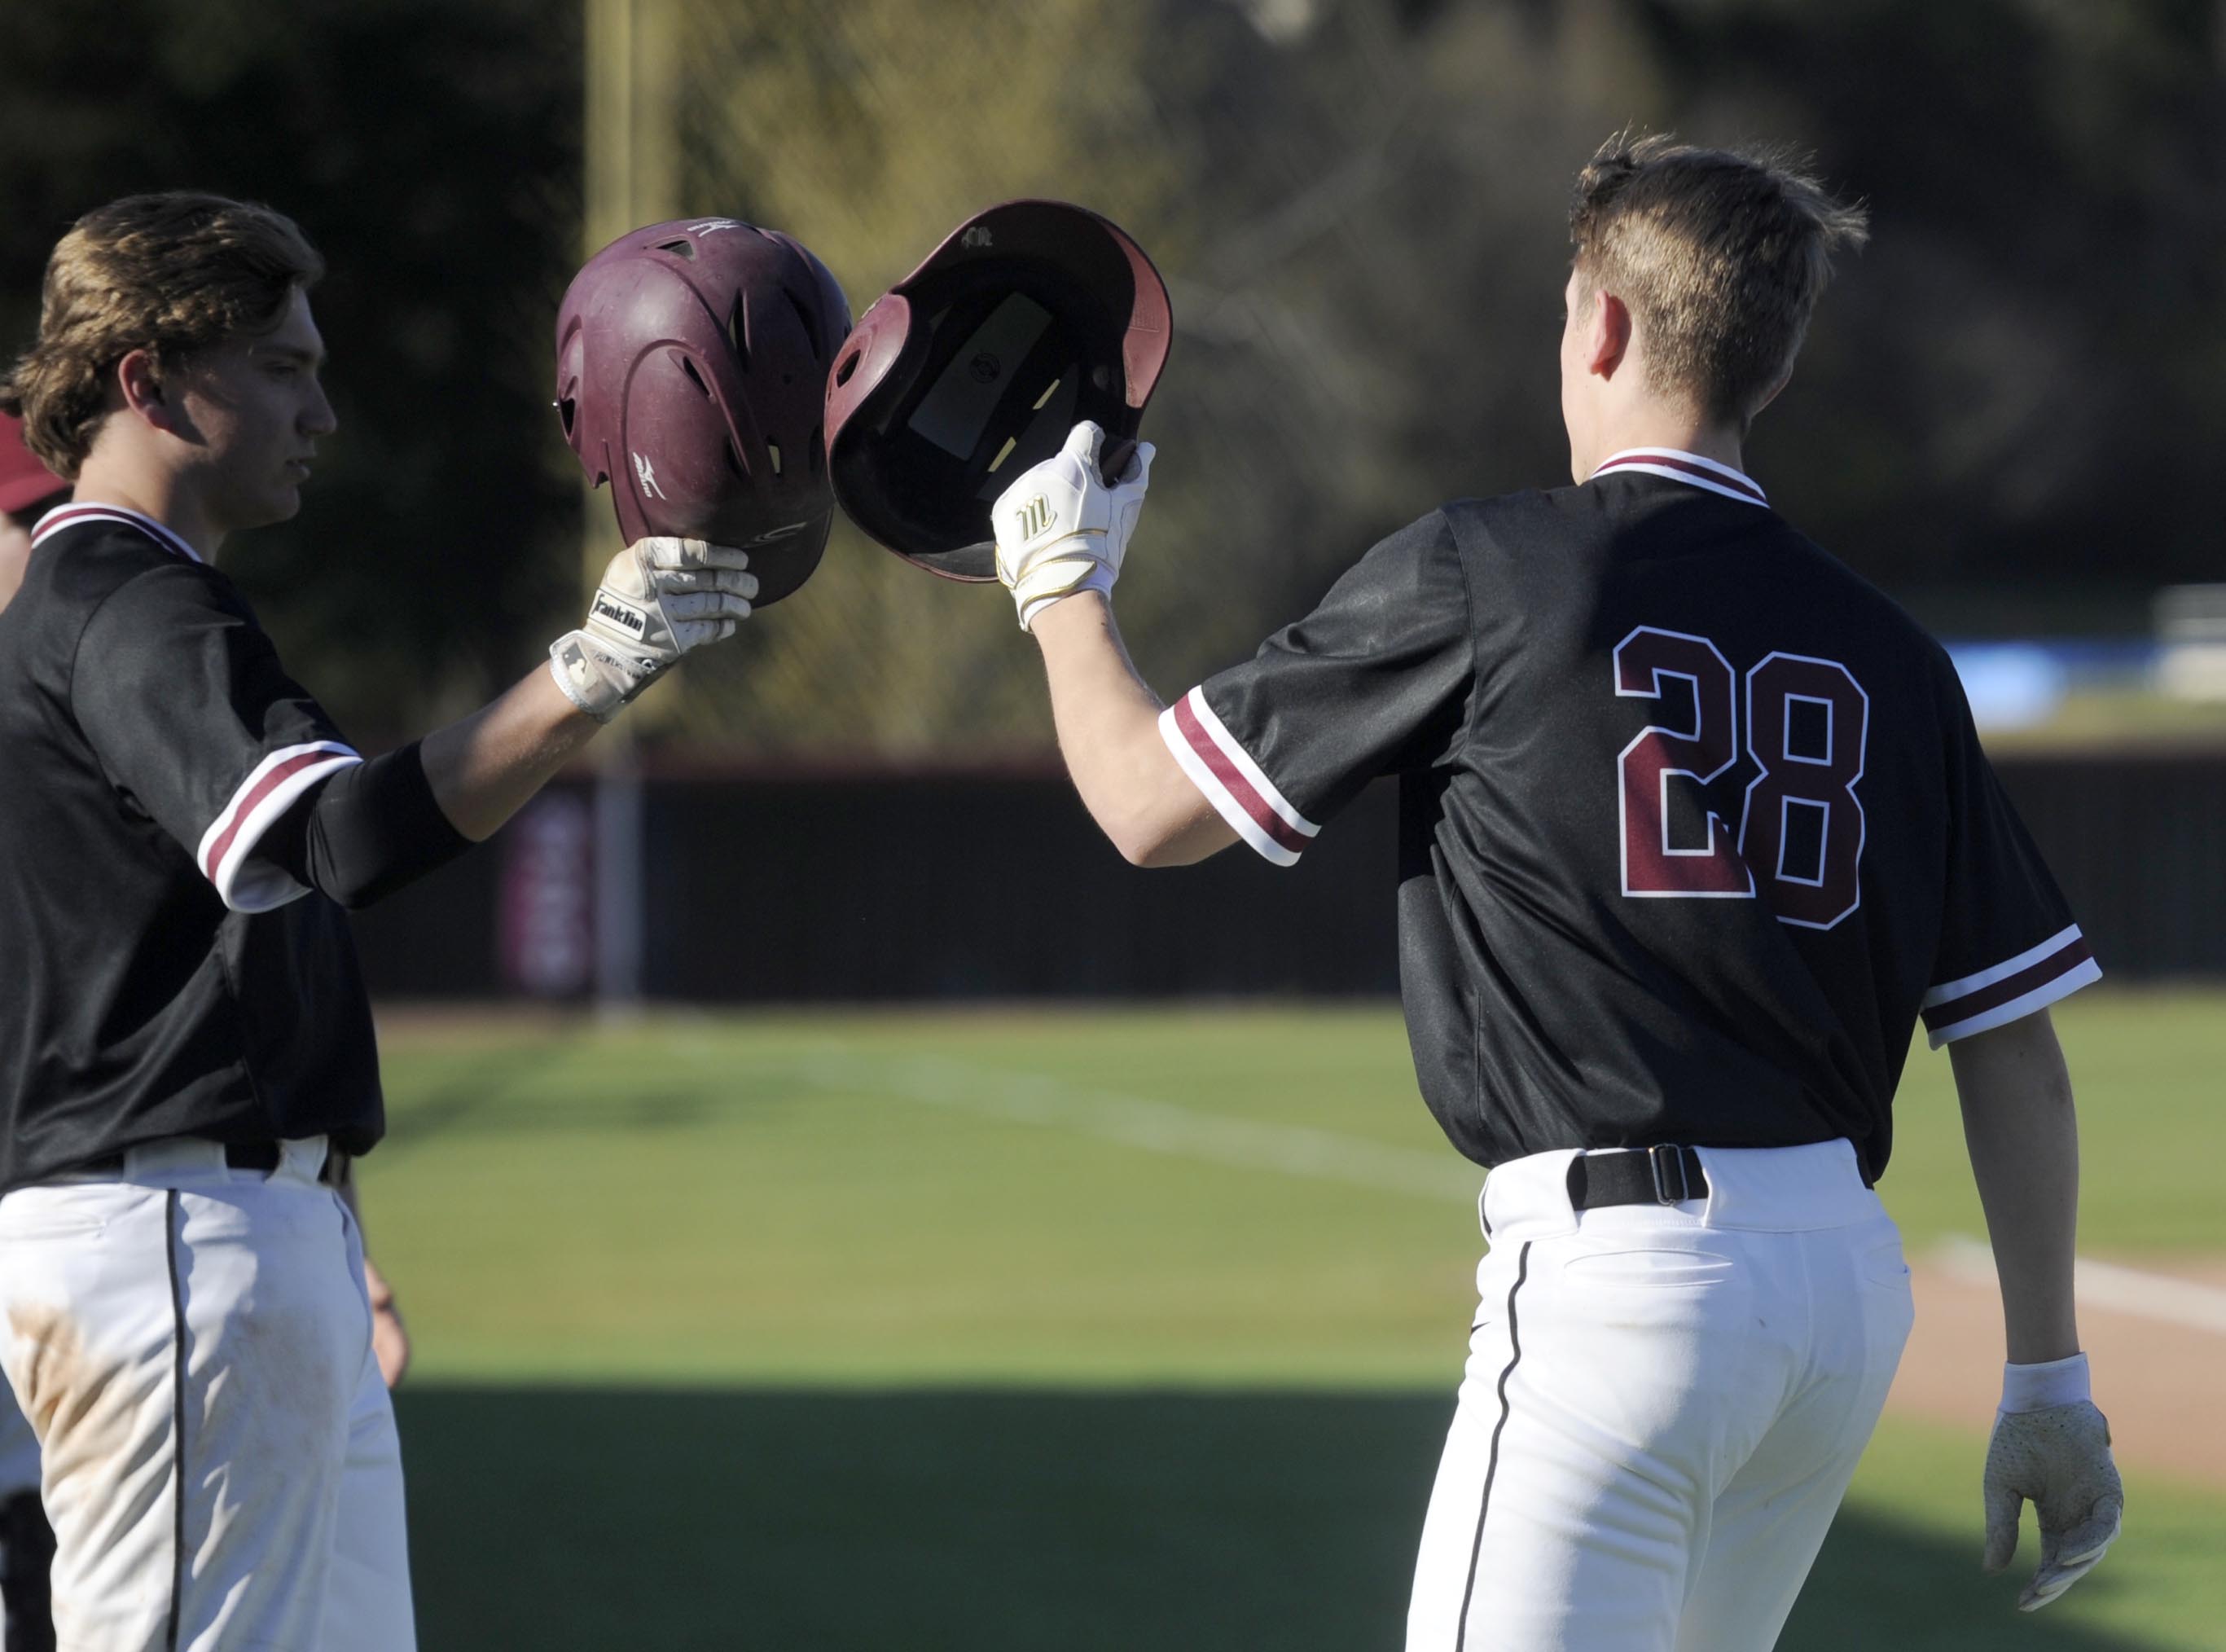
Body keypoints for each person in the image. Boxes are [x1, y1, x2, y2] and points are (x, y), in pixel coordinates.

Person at [986, 134, 2122, 1650]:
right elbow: (2010, 1044)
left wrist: (1061, 595)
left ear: (1598, 325)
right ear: (1768, 372)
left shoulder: (1490, 568)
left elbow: (1144, 808)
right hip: (1841, 1302)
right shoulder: (1895, 657)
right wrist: (2048, 1381)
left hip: (1623, 1284)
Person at [0, 191, 774, 1648]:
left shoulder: (138, 603)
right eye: (282, 368)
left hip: (229, 1232)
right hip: (171, 1240)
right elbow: (342, 838)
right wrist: (590, 668)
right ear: (148, 381)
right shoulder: (121, 599)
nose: (324, 411)